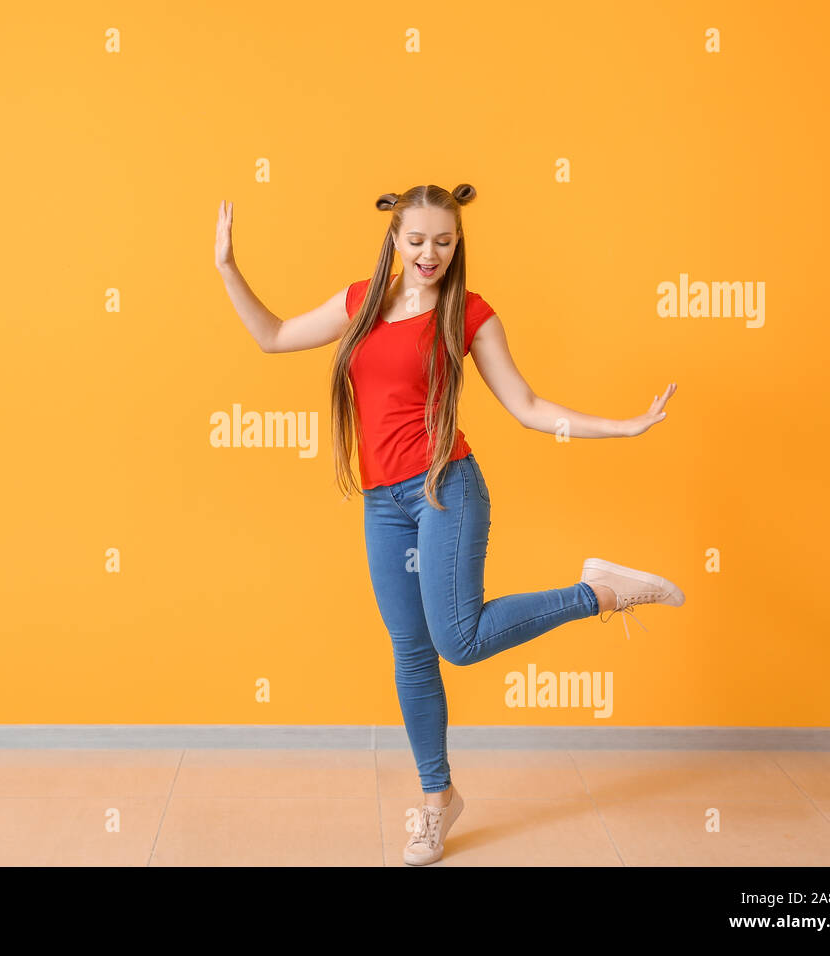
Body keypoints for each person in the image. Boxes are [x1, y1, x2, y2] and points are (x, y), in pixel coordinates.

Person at [214, 183, 685, 866]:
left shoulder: (469, 315)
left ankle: (601, 593)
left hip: (445, 488)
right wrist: (228, 266)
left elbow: (525, 405)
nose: (430, 253)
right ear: (395, 240)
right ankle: (438, 803)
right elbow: (273, 336)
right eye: (417, 240)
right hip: (383, 503)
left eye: (443, 240)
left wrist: (623, 426)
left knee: (457, 641)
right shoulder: (359, 304)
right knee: (412, 651)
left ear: (457, 242)